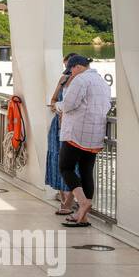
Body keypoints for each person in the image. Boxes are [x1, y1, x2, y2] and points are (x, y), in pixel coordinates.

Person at [56, 55, 112, 228]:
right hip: (95, 134)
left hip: (76, 133)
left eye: (71, 69)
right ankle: (83, 217)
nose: (71, 73)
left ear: (77, 67)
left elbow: (68, 105)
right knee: (86, 171)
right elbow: (107, 106)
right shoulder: (102, 82)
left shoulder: (80, 80)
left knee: (65, 168)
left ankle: (82, 203)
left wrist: (57, 106)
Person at [46, 54, 78, 212]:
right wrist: (59, 86)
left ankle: (69, 202)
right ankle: (63, 199)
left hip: (72, 128)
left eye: (69, 68)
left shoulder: (80, 84)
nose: (67, 72)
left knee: (71, 163)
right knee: (57, 160)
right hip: (57, 128)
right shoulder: (63, 81)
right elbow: (53, 101)